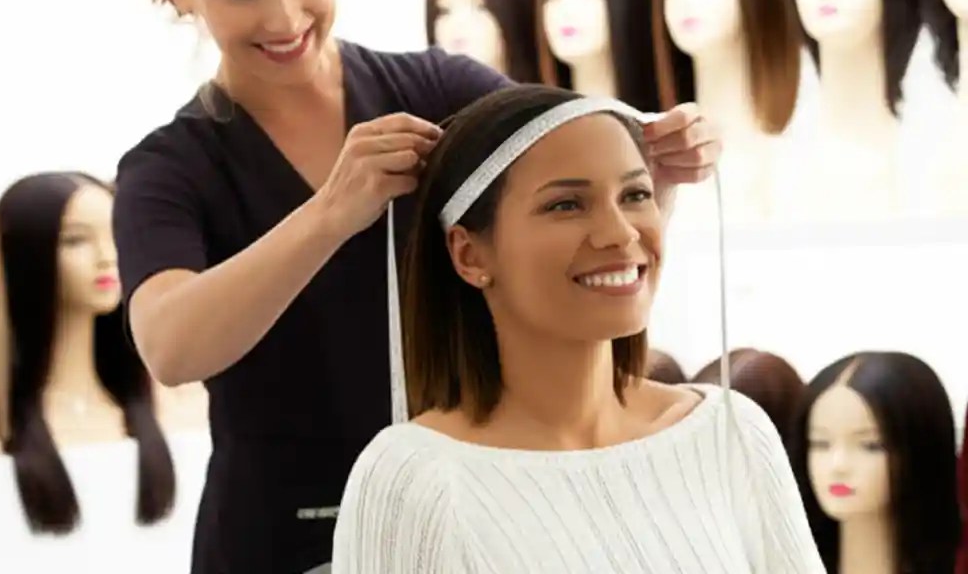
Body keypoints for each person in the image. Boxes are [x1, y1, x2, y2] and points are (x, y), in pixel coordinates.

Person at [117, 0, 722, 571]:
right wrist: (331, 213)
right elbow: (170, 346)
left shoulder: (439, 88)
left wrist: (659, 163)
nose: (285, 13)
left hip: (470, 520)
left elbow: (580, 199)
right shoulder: (169, 168)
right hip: (282, 541)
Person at [331, 86, 822, 573]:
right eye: (566, 205)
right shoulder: (414, 477)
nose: (621, 233)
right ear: (469, 254)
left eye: (635, 195)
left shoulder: (730, 430)